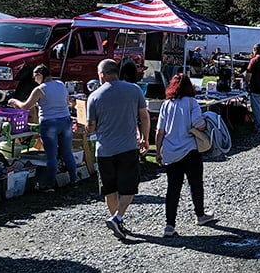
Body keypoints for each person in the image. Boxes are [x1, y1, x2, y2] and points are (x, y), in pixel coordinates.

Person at [86, 59, 150, 241]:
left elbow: (91, 127)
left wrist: (86, 126)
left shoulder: (94, 96)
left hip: (104, 150)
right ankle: (117, 218)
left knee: (109, 189)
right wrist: (145, 138)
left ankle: (116, 219)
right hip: (128, 147)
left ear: (103, 74)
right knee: (129, 187)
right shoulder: (134, 90)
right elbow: (144, 117)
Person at [155, 73, 215, 238]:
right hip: (189, 150)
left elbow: (160, 131)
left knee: (173, 189)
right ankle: (200, 215)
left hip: (171, 152)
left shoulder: (166, 104)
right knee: (195, 183)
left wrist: (158, 151)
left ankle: (169, 225)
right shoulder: (191, 103)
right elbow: (200, 126)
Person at [9, 64, 77, 192]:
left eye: (35, 77)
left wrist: (14, 101)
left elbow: (25, 106)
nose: (35, 80)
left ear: (40, 75)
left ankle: (50, 185)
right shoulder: (61, 84)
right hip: (65, 121)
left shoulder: (40, 89)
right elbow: (67, 102)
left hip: (49, 122)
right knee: (67, 152)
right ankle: (74, 179)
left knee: (51, 155)